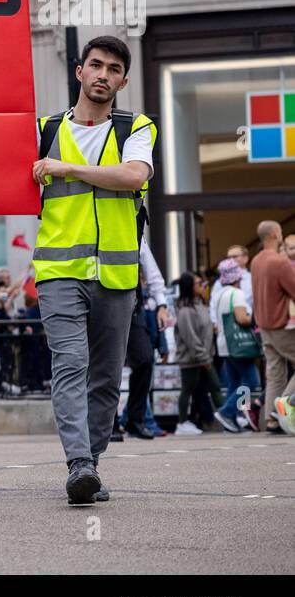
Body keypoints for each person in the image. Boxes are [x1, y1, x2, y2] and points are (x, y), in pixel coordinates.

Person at [31, 35, 156, 505]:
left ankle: (92, 465)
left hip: (117, 275)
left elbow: (133, 176)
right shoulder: (43, 129)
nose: (103, 74)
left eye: (114, 69)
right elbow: (0, 183)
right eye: (96, 65)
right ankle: (78, 465)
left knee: (105, 377)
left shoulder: (135, 128)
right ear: (79, 71)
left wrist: (66, 167)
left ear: (123, 80)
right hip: (59, 271)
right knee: (70, 365)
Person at [120, 237, 170, 441]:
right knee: (106, 367)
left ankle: (135, 419)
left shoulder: (133, 230)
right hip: (101, 307)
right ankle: (108, 424)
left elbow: (152, 271)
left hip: (132, 306)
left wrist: (161, 304)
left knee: (145, 359)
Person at [250, 220, 295, 433]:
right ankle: (284, 405)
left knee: (275, 373)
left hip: (263, 324)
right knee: (277, 371)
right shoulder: (280, 262)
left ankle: (271, 420)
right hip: (282, 325)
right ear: (276, 234)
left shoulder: (256, 261)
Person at [212, 257, 261, 434]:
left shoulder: (219, 295)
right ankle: (227, 412)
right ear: (236, 277)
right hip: (238, 346)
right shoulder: (236, 294)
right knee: (252, 381)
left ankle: (231, 421)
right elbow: (242, 318)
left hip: (225, 345)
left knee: (234, 383)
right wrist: (255, 318)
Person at [172, 272, 221, 435]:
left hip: (204, 357)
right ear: (190, 287)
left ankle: (222, 418)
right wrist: (204, 357)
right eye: (199, 284)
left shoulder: (200, 304)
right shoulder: (185, 310)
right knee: (188, 388)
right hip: (193, 359)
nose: (203, 286)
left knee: (211, 387)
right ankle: (182, 423)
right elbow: (190, 338)